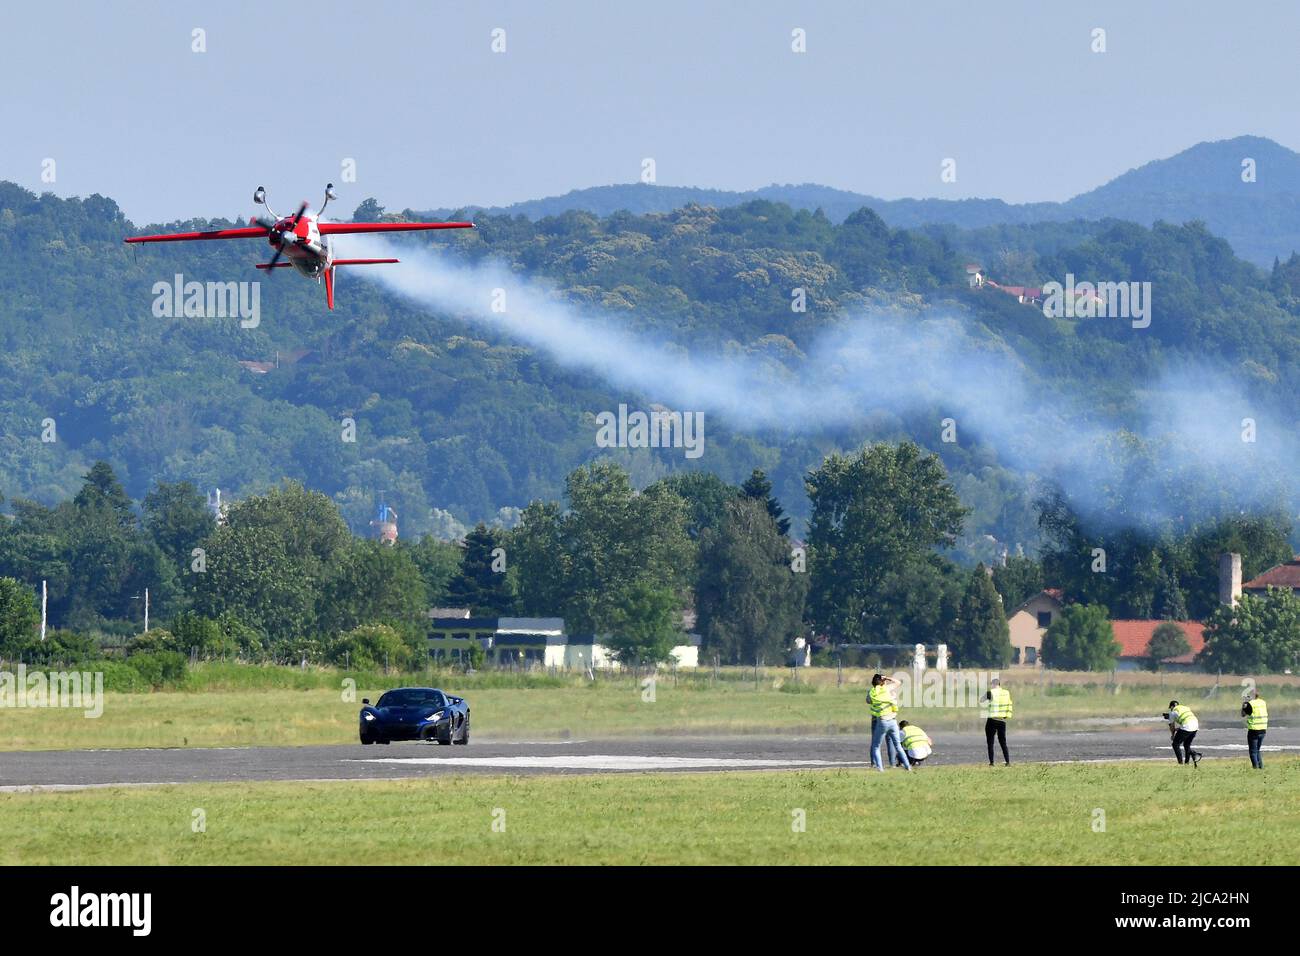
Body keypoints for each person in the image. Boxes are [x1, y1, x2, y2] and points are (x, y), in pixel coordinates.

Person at [868, 674, 911, 772]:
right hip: (893, 721)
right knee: (897, 745)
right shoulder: (887, 689)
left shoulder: (872, 691)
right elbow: (898, 682)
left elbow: (868, 700)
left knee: (876, 746)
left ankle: (879, 768)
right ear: (883, 681)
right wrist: (887, 678)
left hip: (882, 721)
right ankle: (907, 766)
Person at [1163, 700, 1202, 767]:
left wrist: (1173, 735)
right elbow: (1186, 719)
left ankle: (1181, 763)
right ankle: (1187, 763)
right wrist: (1178, 729)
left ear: (1172, 706)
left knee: (1175, 744)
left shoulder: (1172, 713)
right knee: (1186, 745)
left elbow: (1172, 726)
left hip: (1187, 726)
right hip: (1195, 725)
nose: (1170, 709)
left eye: (1170, 708)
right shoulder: (1185, 708)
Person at [983, 677, 1013, 766]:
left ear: (993, 685)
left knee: (990, 742)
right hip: (1002, 721)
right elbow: (1009, 704)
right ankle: (1008, 762)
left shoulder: (990, 692)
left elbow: (981, 700)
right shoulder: (1006, 693)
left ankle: (992, 763)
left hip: (992, 720)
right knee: (1003, 742)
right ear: (999, 685)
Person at [1242, 689, 1268, 770]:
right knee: (1257, 750)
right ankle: (1261, 767)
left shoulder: (1250, 704)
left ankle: (1256, 768)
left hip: (1254, 730)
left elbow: (1243, 714)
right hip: (1263, 729)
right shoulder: (1263, 702)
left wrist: (1244, 704)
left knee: (1253, 751)